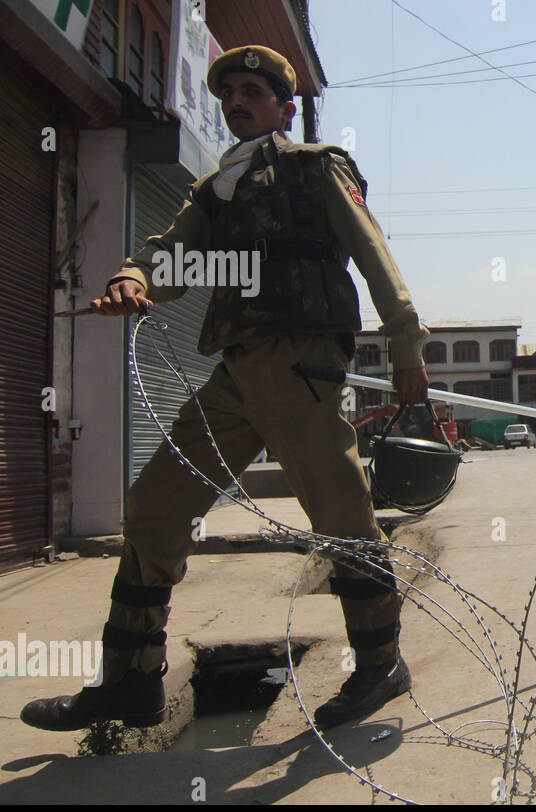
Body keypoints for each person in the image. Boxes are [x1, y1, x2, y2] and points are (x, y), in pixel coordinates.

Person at [22, 46, 429, 733]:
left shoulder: (313, 167)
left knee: (340, 519)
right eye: (228, 94)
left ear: (284, 107)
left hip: (300, 366)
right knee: (153, 506)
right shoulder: (216, 191)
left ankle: (380, 662)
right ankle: (129, 683)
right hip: (235, 374)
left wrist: (406, 345)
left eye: (252, 91)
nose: (236, 102)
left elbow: (371, 251)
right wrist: (136, 279)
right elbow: (172, 255)